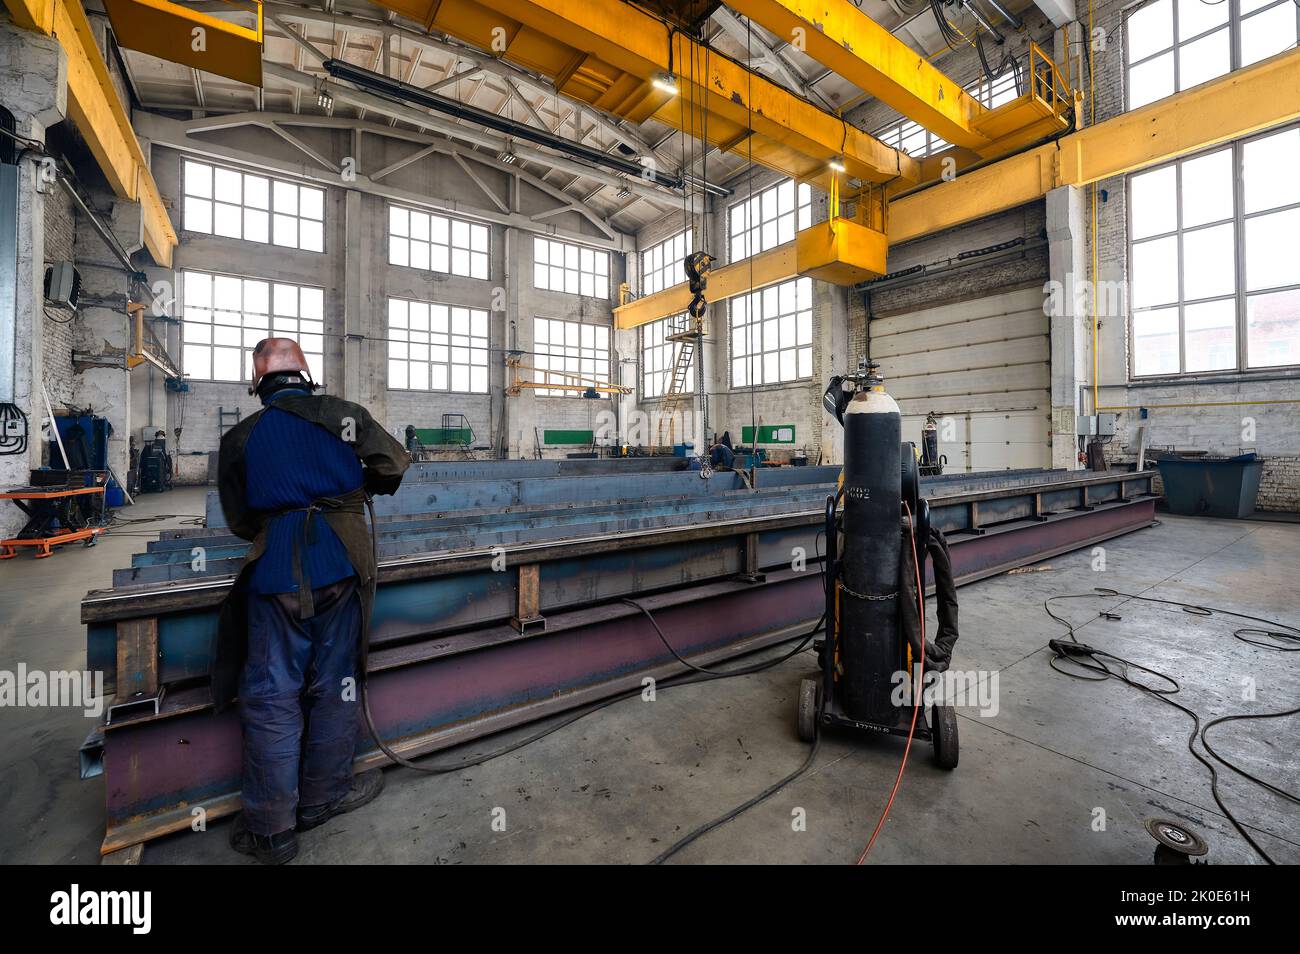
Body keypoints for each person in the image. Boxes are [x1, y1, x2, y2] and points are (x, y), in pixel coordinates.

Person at [214, 338, 410, 864]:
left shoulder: (242, 436)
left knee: (271, 692)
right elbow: (393, 463)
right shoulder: (343, 415)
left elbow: (238, 519)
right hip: (343, 565)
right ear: (307, 378)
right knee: (337, 681)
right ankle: (324, 798)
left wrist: (283, 520)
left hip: (276, 571)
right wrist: (350, 492)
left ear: (258, 386)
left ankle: (273, 829)